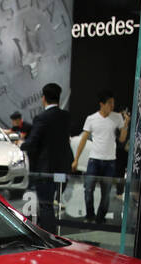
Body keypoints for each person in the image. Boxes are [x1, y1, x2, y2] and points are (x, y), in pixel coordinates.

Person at [21, 82, 71, 235]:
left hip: (46, 169)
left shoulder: (42, 118)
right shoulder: (66, 116)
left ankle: (49, 236)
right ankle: (48, 231)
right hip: (62, 168)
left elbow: (33, 142)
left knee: (46, 204)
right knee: (51, 203)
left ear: (44, 98)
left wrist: (21, 144)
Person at [71, 90, 128, 225]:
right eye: (109, 103)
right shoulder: (91, 119)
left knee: (106, 192)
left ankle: (100, 218)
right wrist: (76, 159)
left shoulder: (117, 118)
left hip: (110, 161)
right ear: (101, 104)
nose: (112, 106)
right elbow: (83, 140)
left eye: (113, 103)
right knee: (88, 189)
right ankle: (90, 215)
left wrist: (126, 124)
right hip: (94, 160)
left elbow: (122, 139)